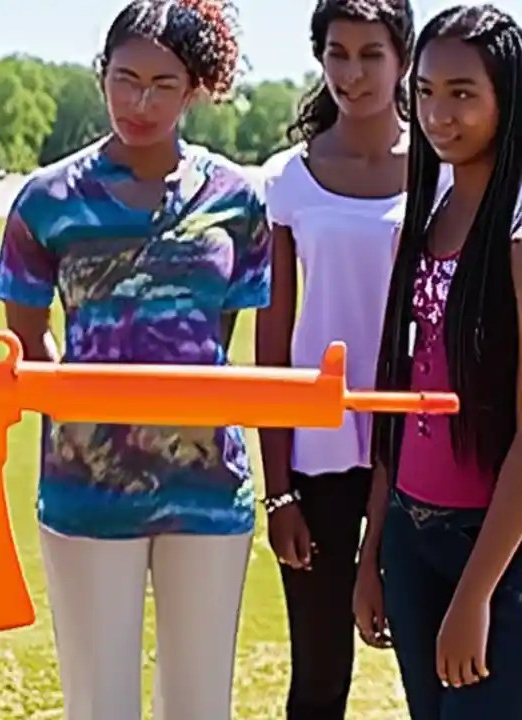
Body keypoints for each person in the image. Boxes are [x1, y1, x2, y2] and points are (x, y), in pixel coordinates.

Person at [0, 1, 270, 718]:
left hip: (208, 486)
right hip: (87, 488)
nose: (140, 103)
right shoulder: (47, 200)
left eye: (163, 84)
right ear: (101, 75)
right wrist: (90, 412)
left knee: (200, 703)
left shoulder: (239, 201)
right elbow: (28, 343)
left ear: (196, 89)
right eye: (125, 79)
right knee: (99, 704)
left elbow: (219, 335)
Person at [255, 2, 423, 718]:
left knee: (435, 665)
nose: (351, 74)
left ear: (404, 58)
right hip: (317, 454)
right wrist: (279, 489)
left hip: (418, 447)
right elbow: (272, 340)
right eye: (337, 53)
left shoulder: (443, 170)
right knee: (320, 677)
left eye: (371, 55)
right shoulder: (287, 180)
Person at [359, 4, 522, 719]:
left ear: (506, 99)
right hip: (409, 536)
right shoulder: (421, 223)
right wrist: (373, 556)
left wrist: (477, 592)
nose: (438, 113)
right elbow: (396, 401)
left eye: (462, 93)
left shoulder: (517, 235)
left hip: (491, 550)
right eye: (425, 91)